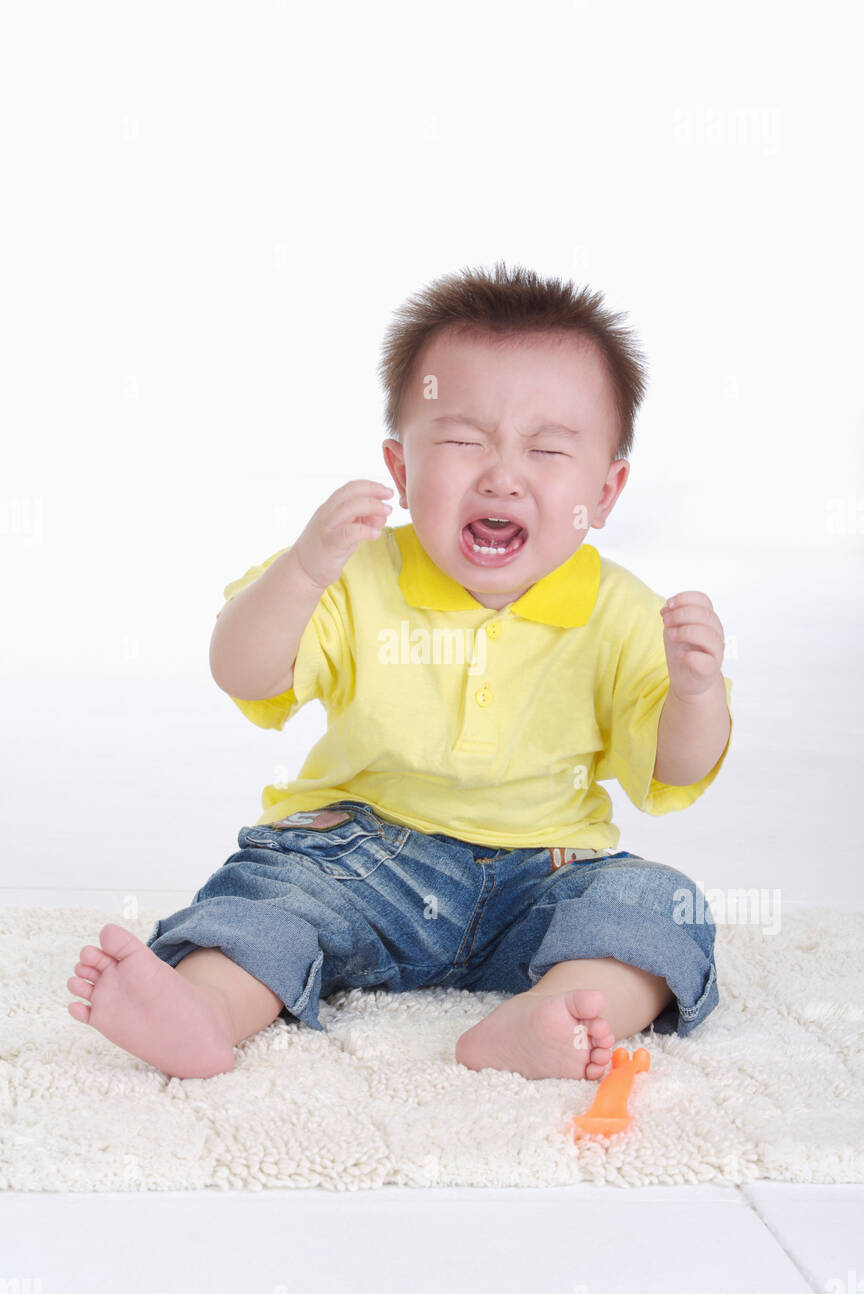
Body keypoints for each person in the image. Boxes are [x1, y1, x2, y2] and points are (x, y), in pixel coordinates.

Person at [66, 261, 733, 1082]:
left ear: (607, 488)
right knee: (272, 901)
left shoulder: (628, 613)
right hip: (361, 862)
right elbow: (243, 672)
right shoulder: (356, 573)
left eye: (547, 449)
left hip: (547, 873)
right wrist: (304, 572)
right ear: (403, 469)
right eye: (462, 441)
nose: (502, 473)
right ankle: (202, 1010)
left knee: (659, 907)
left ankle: (555, 1013)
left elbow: (676, 767)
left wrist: (696, 692)